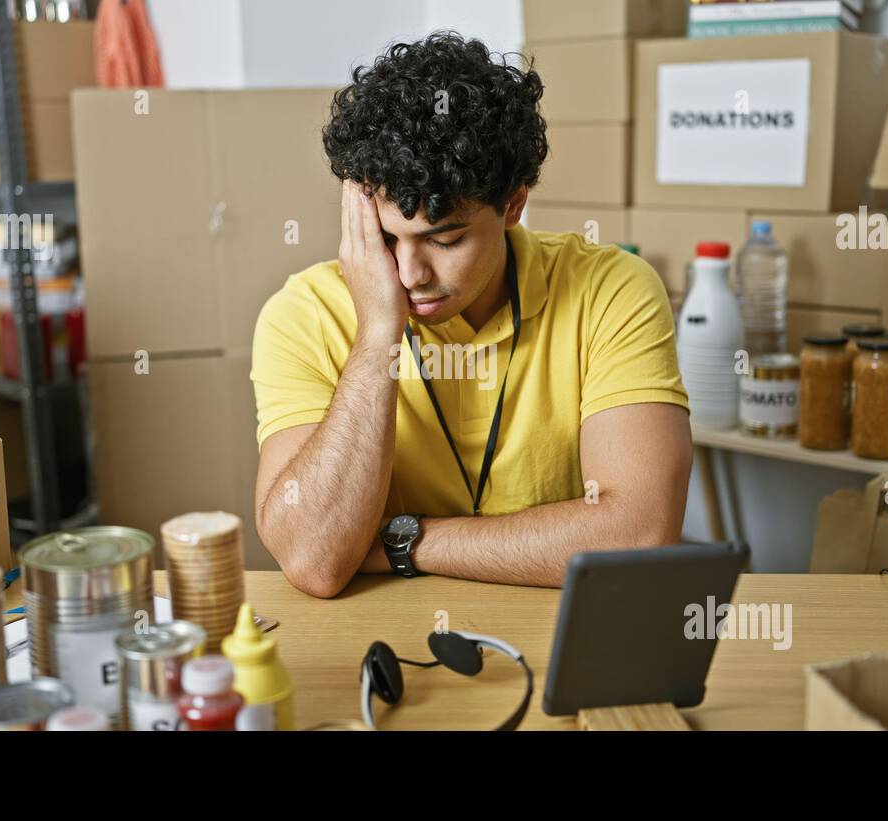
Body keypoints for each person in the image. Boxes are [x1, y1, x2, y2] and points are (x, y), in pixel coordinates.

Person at [251, 32, 691, 597]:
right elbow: (314, 560)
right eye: (385, 238)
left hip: (555, 637)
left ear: (513, 204)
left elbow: (640, 535)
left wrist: (404, 543)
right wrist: (378, 334)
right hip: (381, 643)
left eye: (445, 239)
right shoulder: (301, 314)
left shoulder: (611, 288)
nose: (409, 274)